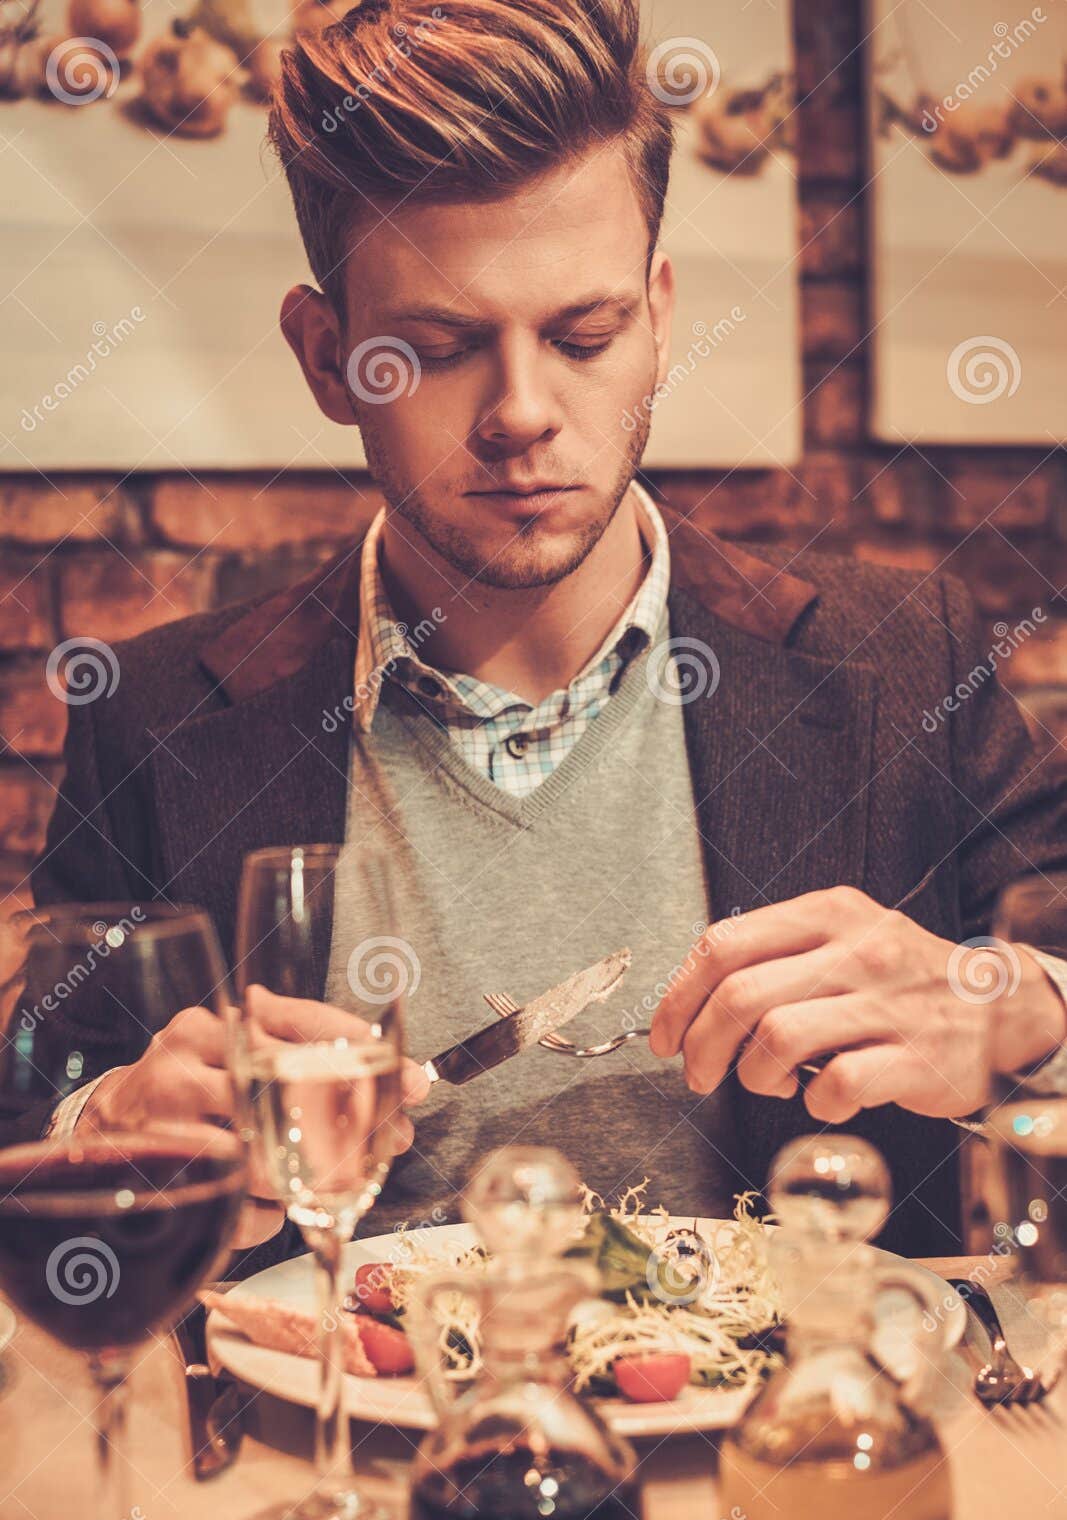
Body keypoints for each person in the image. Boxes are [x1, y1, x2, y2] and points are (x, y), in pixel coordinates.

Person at [18, 0, 1067, 1260]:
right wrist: (109, 1116)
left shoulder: (908, 659)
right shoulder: (155, 718)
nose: (522, 412)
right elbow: (36, 1114)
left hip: (803, 1444)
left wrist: (1009, 1011)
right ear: (326, 355)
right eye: (439, 348)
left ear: (660, 318)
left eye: (583, 335)